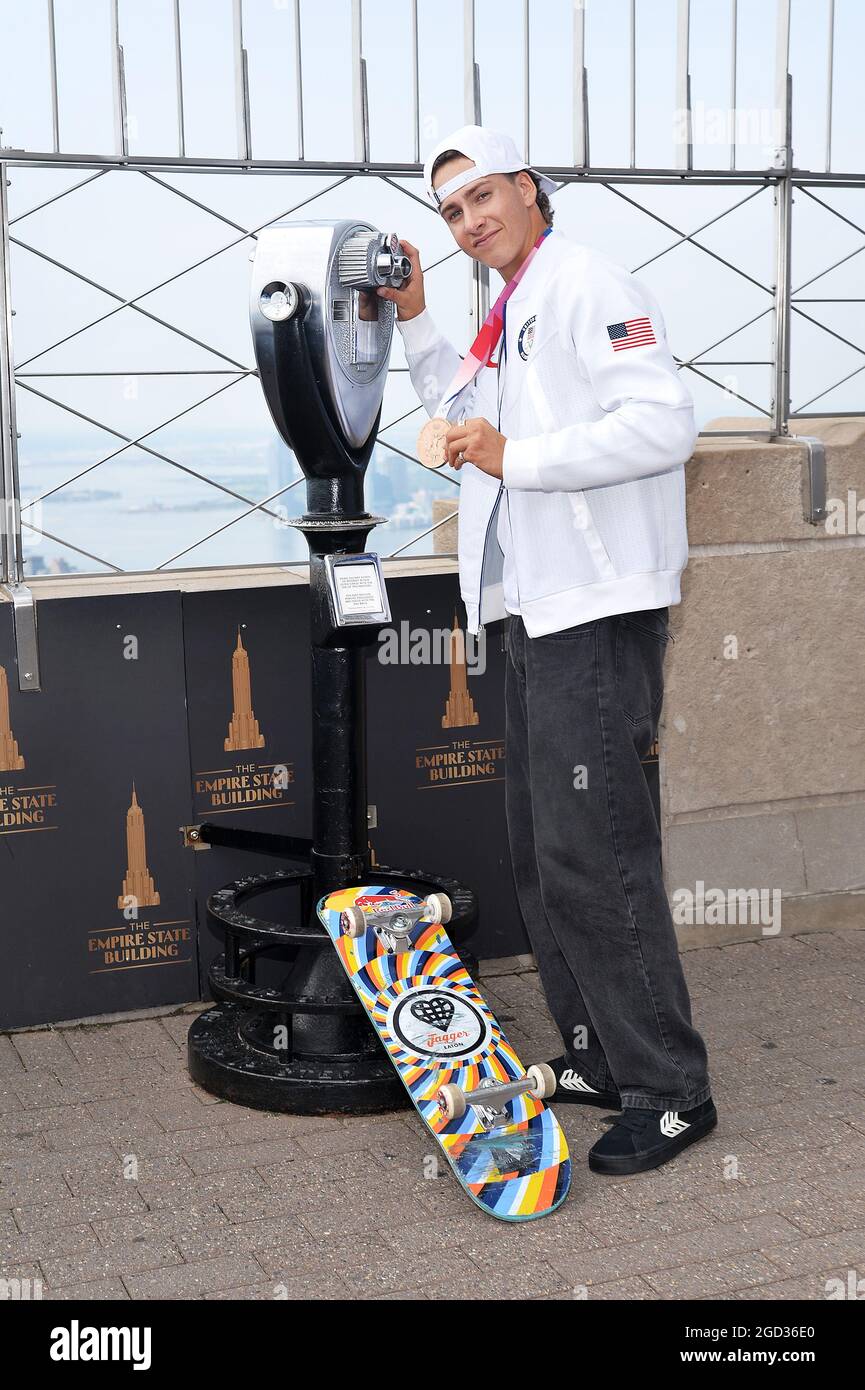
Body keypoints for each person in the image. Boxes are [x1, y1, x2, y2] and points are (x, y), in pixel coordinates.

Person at [377, 124, 715, 1176]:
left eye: (482, 197)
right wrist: (421, 319)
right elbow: (462, 415)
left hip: (595, 616)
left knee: (597, 851)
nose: (469, 221)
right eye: (451, 211)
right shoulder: (507, 304)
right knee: (542, 852)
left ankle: (668, 1089)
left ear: (529, 189)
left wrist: (519, 457)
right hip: (535, 611)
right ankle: (599, 1056)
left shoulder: (584, 281)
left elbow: (665, 422)